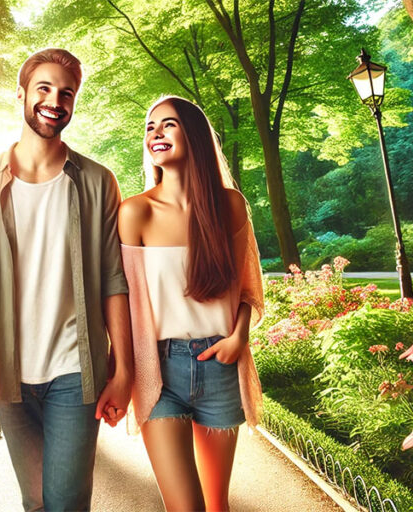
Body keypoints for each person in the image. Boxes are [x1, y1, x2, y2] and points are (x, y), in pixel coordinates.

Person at [0, 48, 134, 512]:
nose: (55, 100)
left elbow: (115, 280)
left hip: (76, 370)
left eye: (66, 93)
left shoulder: (97, 182)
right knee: (36, 503)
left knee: (65, 503)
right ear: (22, 95)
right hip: (8, 376)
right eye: (44, 88)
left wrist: (124, 369)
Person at [118, 96, 265, 512]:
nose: (156, 133)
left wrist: (239, 337)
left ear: (195, 135)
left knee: (217, 507)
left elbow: (247, 287)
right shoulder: (135, 212)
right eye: (150, 127)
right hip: (158, 371)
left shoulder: (230, 205)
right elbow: (125, 302)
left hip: (219, 364)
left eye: (169, 124)